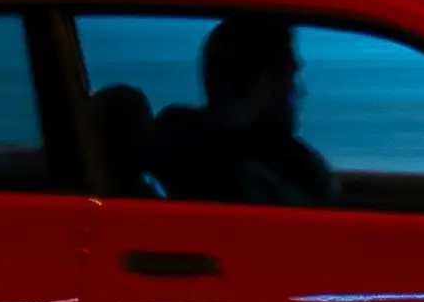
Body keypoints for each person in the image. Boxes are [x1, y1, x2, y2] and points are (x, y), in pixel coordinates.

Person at [139, 14, 335, 205]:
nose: (300, 92)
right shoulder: (280, 171)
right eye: (290, 80)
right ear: (265, 84)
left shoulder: (174, 147)